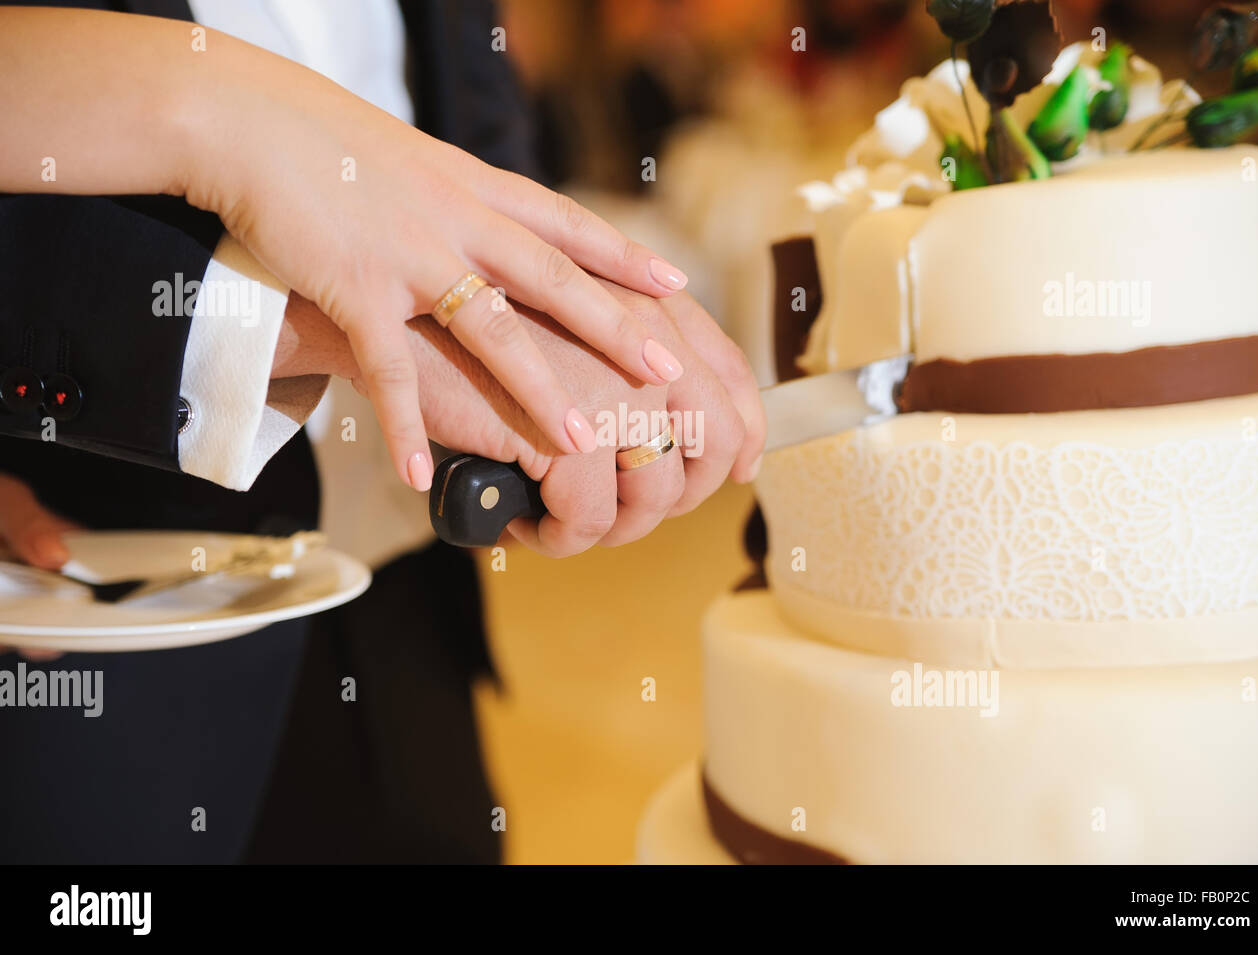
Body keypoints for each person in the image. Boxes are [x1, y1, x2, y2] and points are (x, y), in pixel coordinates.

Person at [0, 0, 764, 863]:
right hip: (95, 608)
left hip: (407, 592)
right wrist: (395, 330)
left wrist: (536, 318)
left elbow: (468, 89)